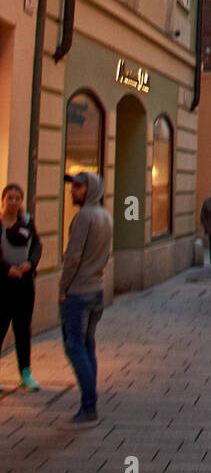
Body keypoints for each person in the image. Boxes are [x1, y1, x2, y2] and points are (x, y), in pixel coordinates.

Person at [59, 172, 112, 425]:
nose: (73, 191)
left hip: (78, 291)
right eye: (73, 186)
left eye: (78, 187)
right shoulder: (105, 216)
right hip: (97, 290)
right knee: (88, 344)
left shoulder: (83, 217)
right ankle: (90, 403)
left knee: (74, 346)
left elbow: (73, 257)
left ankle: (89, 405)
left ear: (89, 189)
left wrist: (63, 287)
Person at [0, 183, 42, 392]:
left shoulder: (27, 222)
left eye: (18, 198)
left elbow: (37, 246)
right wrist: (7, 268)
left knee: (23, 330)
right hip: (3, 284)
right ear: (3, 200)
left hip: (24, 284)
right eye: (10, 198)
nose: (14, 202)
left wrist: (30, 264)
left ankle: (25, 373)